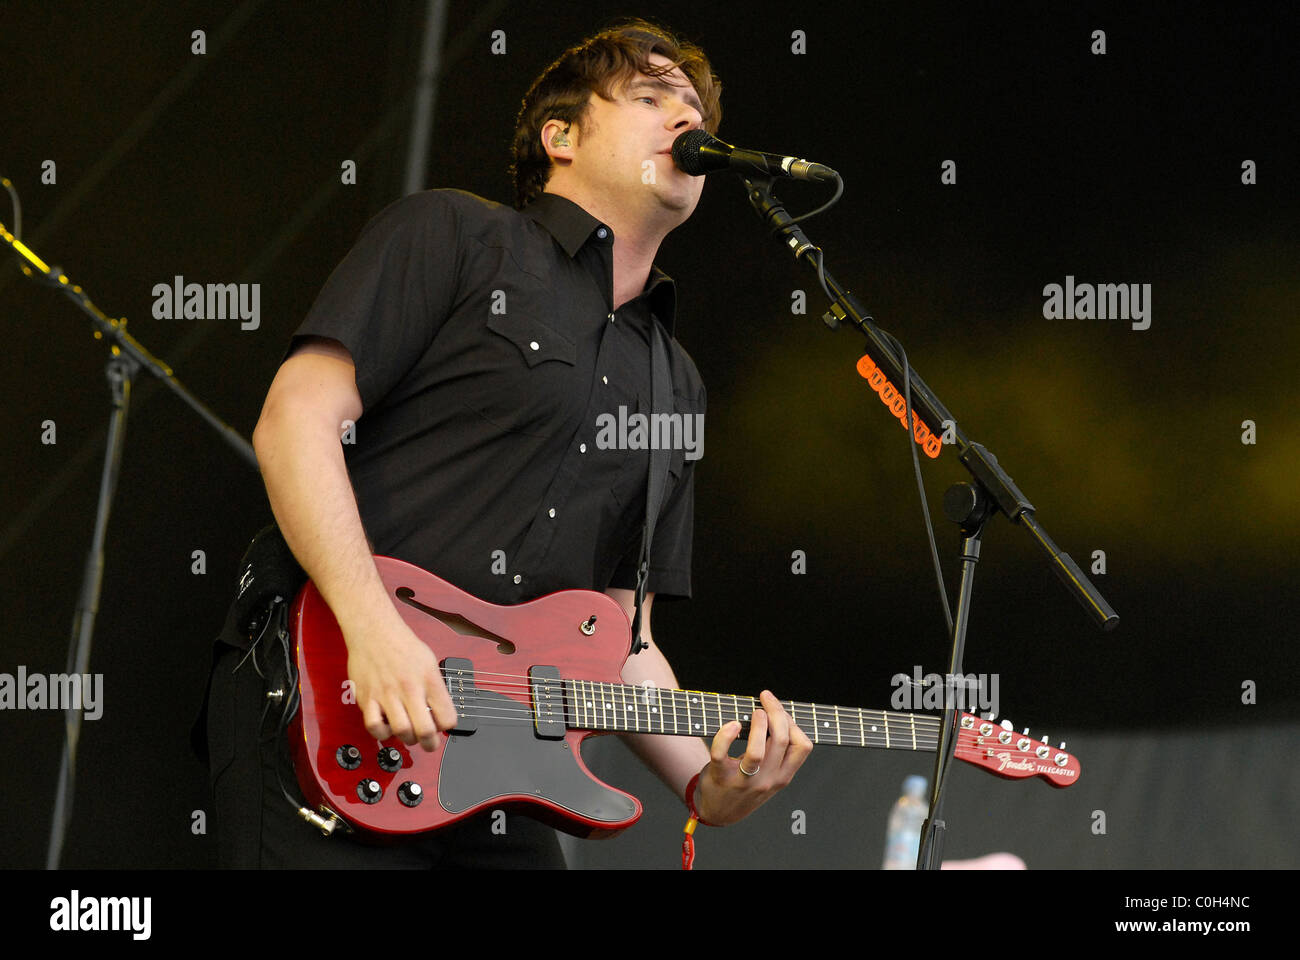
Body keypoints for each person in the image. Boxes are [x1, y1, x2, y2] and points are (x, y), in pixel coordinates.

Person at [205, 17, 812, 868]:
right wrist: (374, 629)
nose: (686, 118)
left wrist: (709, 784)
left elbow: (621, 637)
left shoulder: (677, 381)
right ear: (558, 136)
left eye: (694, 105)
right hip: (328, 695)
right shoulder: (455, 236)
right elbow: (295, 421)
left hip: (498, 767)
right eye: (651, 96)